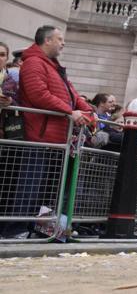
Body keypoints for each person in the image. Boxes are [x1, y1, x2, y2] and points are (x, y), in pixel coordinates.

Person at [6, 26, 93, 238]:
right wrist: (70, 111)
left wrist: (88, 112)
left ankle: (35, 228)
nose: (63, 43)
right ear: (47, 41)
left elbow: (71, 93)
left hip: (55, 138)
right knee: (29, 187)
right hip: (40, 136)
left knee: (45, 189)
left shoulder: (54, 67)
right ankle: (15, 229)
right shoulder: (35, 63)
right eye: (59, 39)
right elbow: (39, 95)